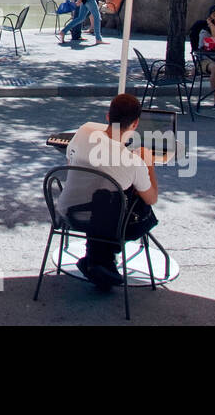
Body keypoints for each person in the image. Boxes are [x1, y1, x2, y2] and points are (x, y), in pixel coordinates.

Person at [63, 92, 158, 291]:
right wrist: (148, 164)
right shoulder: (132, 162)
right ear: (135, 124)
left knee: (104, 196)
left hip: (67, 211)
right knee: (133, 202)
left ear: (107, 116)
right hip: (104, 224)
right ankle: (102, 261)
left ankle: (97, 260)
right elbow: (151, 198)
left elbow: (69, 159)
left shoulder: (83, 131)